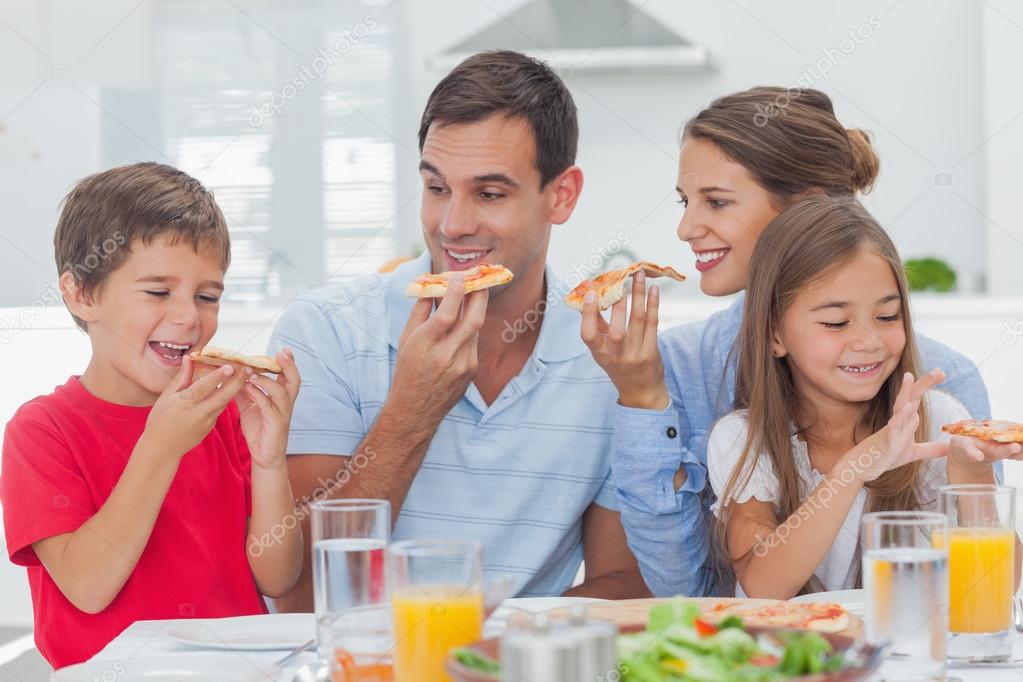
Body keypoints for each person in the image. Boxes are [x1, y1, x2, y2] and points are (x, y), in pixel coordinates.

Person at [270, 50, 649, 611]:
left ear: (561, 195)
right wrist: (412, 411)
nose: (453, 226)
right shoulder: (324, 333)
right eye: (437, 188)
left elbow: (623, 585)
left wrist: (482, 638)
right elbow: (304, 594)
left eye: (489, 194)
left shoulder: (607, 361)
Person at [579, 87, 993, 597]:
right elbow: (685, 591)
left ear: (805, 208)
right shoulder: (674, 368)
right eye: (687, 201)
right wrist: (642, 399)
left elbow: (978, 587)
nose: (686, 228)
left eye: (717, 201)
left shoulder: (941, 386)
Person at [0, 163, 303, 668]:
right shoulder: (42, 432)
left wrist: (270, 462)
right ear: (82, 294)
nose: (188, 316)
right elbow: (88, 586)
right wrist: (161, 446)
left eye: (207, 296)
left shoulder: (223, 415)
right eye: (158, 292)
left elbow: (278, 577)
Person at [706, 196, 1021, 597]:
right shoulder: (742, 438)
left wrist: (971, 476)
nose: (869, 341)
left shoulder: (936, 419)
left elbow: (992, 590)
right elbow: (764, 586)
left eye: (887, 316)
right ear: (774, 334)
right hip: (797, 658)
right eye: (836, 322)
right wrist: (855, 468)